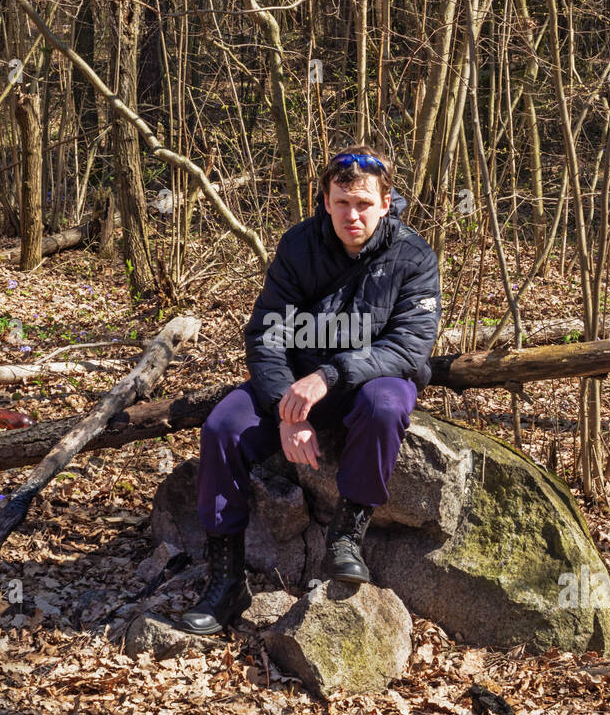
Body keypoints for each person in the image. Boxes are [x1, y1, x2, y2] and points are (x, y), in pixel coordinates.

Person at [173, 149, 442, 636]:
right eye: (341, 203)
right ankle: (226, 579)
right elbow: (267, 335)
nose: (352, 215)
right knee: (223, 427)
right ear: (325, 200)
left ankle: (346, 536)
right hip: (293, 382)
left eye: (363, 203)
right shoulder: (299, 246)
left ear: (386, 203)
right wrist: (286, 411)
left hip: (365, 382)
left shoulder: (414, 257)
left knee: (386, 404)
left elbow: (408, 346)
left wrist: (331, 375)